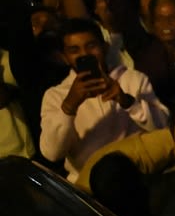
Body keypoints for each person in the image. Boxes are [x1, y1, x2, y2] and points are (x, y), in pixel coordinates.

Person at [40, 18, 168, 182]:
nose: (84, 54)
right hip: (88, 182)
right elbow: (52, 154)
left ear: (105, 47)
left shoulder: (132, 79)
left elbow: (163, 127)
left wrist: (128, 102)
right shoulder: (56, 95)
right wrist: (69, 106)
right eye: (74, 50)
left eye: (91, 46)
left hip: (139, 173)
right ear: (64, 57)